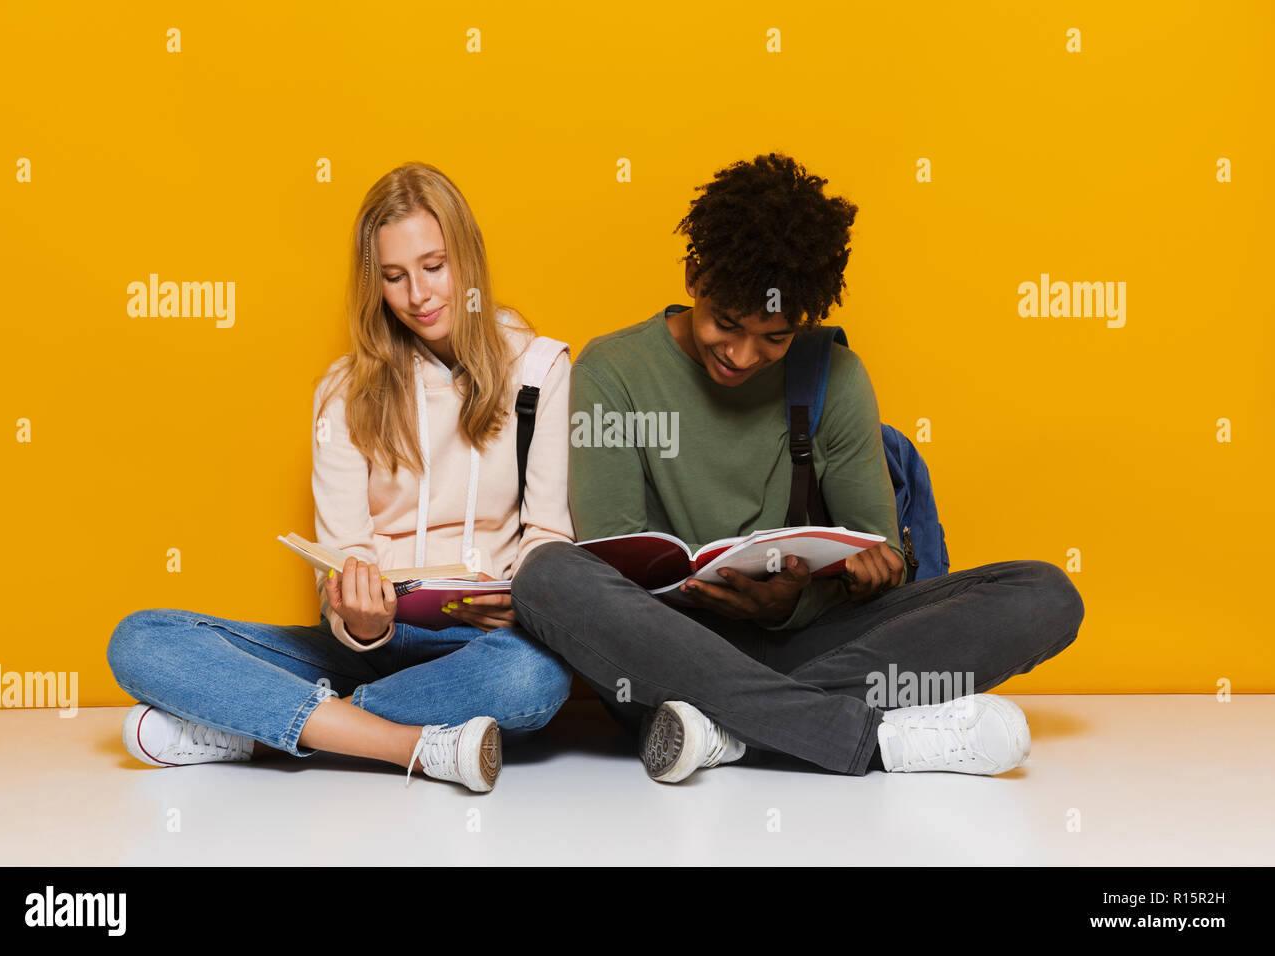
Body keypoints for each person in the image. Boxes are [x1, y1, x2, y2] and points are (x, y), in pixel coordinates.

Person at [511, 153, 1084, 783]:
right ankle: (871, 743)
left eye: (773, 337)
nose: (742, 354)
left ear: (801, 322)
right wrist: (709, 594)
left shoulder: (834, 376)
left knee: (1044, 593)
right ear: (694, 275)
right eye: (725, 324)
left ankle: (721, 729)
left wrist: (794, 601)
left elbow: (881, 550)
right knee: (547, 575)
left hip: (800, 642)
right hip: (667, 647)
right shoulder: (612, 371)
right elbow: (613, 559)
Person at [107, 161, 574, 792]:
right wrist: (362, 618)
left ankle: (264, 730)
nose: (419, 295)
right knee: (142, 639)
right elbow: (344, 553)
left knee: (534, 679)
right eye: (394, 277)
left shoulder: (541, 370)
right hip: (365, 648)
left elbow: (549, 533)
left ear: (469, 256)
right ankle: (409, 743)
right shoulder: (344, 392)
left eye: (434, 266)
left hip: (476, 651)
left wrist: (519, 597)